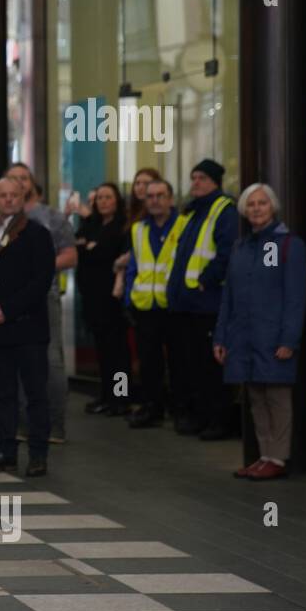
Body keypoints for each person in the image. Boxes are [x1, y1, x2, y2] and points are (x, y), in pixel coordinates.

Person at [214, 183, 306, 481]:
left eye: (261, 203)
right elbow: (228, 296)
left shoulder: (289, 245)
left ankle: (277, 458)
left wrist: (288, 339)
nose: (256, 208)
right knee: (255, 397)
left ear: (273, 207)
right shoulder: (241, 246)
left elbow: (296, 296)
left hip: (273, 337)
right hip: (243, 336)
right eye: (250, 204)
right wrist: (221, 337)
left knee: (277, 398)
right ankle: (265, 455)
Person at [0, 177, 56, 476]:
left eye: (14, 195)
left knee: (35, 393)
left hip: (29, 328)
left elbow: (41, 280)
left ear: (23, 198)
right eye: (3, 195)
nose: (9, 200)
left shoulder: (38, 234)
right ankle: (5, 449)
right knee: (2, 394)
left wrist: (7, 310)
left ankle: (38, 453)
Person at [167, 159, 239, 440]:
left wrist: (203, 281)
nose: (195, 182)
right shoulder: (192, 212)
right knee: (193, 365)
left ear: (215, 182)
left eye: (201, 178)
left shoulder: (223, 210)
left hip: (207, 303)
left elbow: (226, 252)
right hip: (187, 305)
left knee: (211, 367)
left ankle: (218, 420)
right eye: (193, 177)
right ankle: (200, 417)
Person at [6, 163, 76, 443]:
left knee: (51, 358)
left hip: (45, 294)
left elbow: (70, 256)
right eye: (13, 180)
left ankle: (55, 425)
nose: (19, 184)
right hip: (13, 298)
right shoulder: (5, 218)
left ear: (32, 183)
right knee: (20, 359)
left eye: (23, 178)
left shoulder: (51, 217)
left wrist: (37, 269)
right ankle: (26, 425)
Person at [123, 178, 182, 430]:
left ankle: (181, 409)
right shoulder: (138, 229)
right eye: (150, 196)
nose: (155, 200)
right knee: (149, 362)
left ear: (170, 198)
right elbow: (133, 267)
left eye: (160, 195)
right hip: (146, 306)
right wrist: (128, 298)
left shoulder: (183, 225)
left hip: (175, 306)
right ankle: (152, 407)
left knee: (180, 361)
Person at [75, 182, 131, 417]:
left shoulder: (122, 227)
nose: (104, 202)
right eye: (100, 198)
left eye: (108, 197)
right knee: (103, 352)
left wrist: (91, 249)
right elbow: (80, 247)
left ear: (117, 201)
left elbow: (104, 254)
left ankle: (121, 398)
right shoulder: (93, 225)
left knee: (117, 352)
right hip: (92, 298)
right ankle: (106, 395)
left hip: (112, 300)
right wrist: (90, 248)